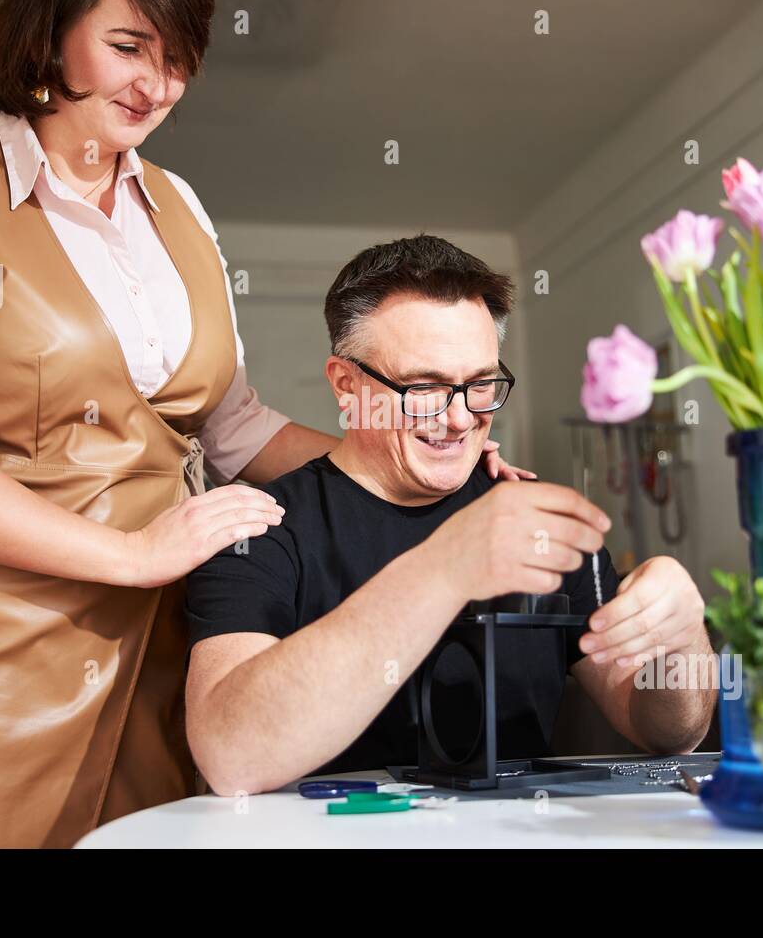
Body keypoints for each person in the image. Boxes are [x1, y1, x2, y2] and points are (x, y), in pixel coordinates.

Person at [0, 0, 536, 848]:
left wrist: (419, 450)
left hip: (154, 647)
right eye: (129, 47)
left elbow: (235, 429)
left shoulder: (180, 210)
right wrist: (132, 553)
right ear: (49, 33)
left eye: (178, 58)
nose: (159, 83)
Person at [184, 235, 716, 794]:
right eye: (425, 388)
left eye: (481, 384)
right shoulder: (260, 531)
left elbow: (669, 735)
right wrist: (445, 565)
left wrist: (683, 644)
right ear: (346, 386)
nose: (461, 419)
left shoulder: (542, 525)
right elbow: (231, 758)